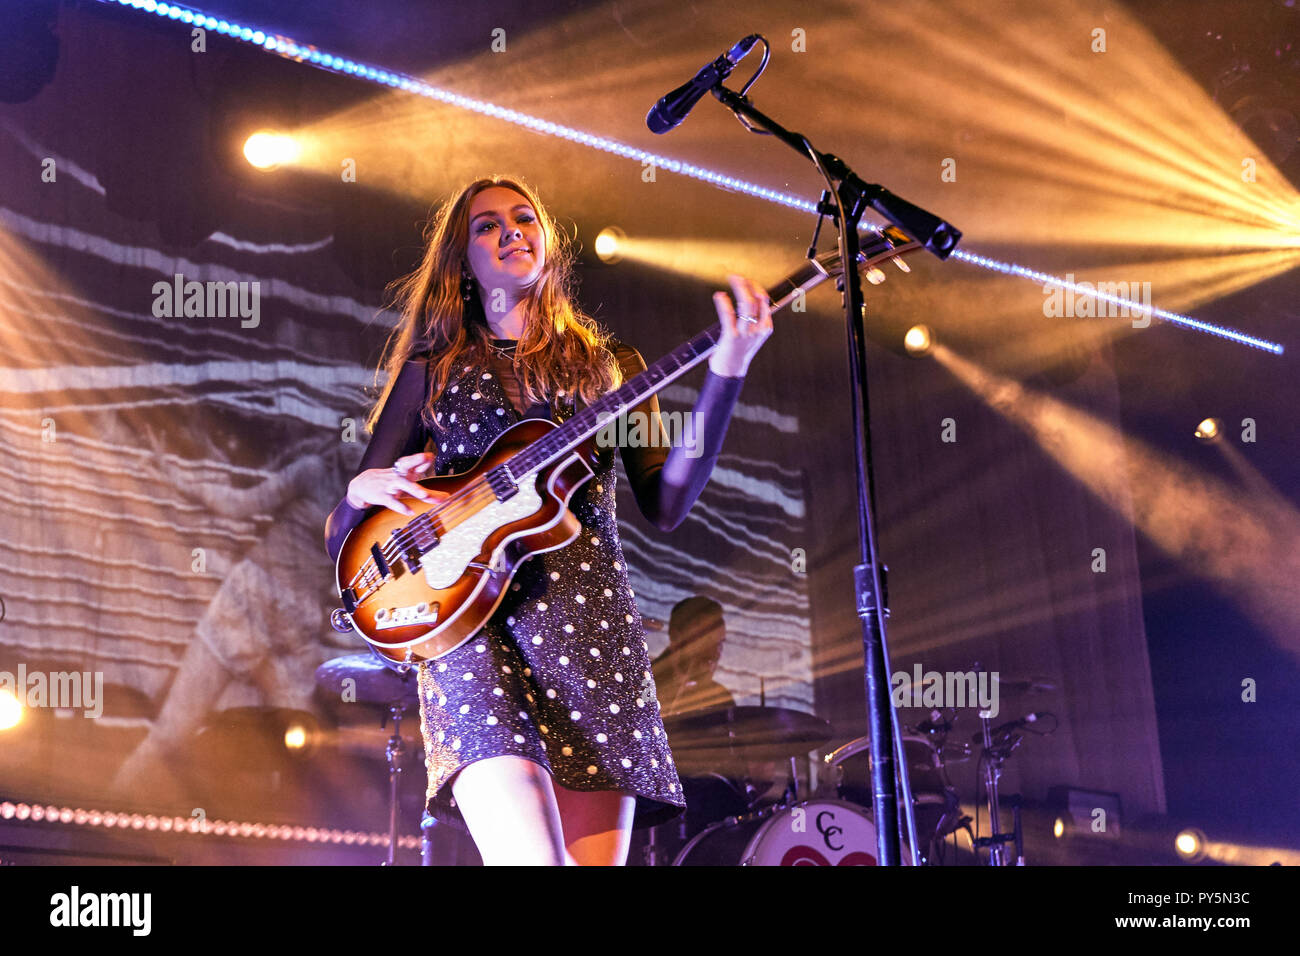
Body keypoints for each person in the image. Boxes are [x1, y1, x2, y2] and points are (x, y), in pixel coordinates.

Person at [323, 174, 772, 865]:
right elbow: (343, 537)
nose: (511, 231)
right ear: (461, 261)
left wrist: (727, 373)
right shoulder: (433, 369)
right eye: (487, 225)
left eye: (524, 218)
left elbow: (667, 502)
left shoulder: (612, 368)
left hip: (593, 637)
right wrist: (360, 491)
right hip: (470, 630)